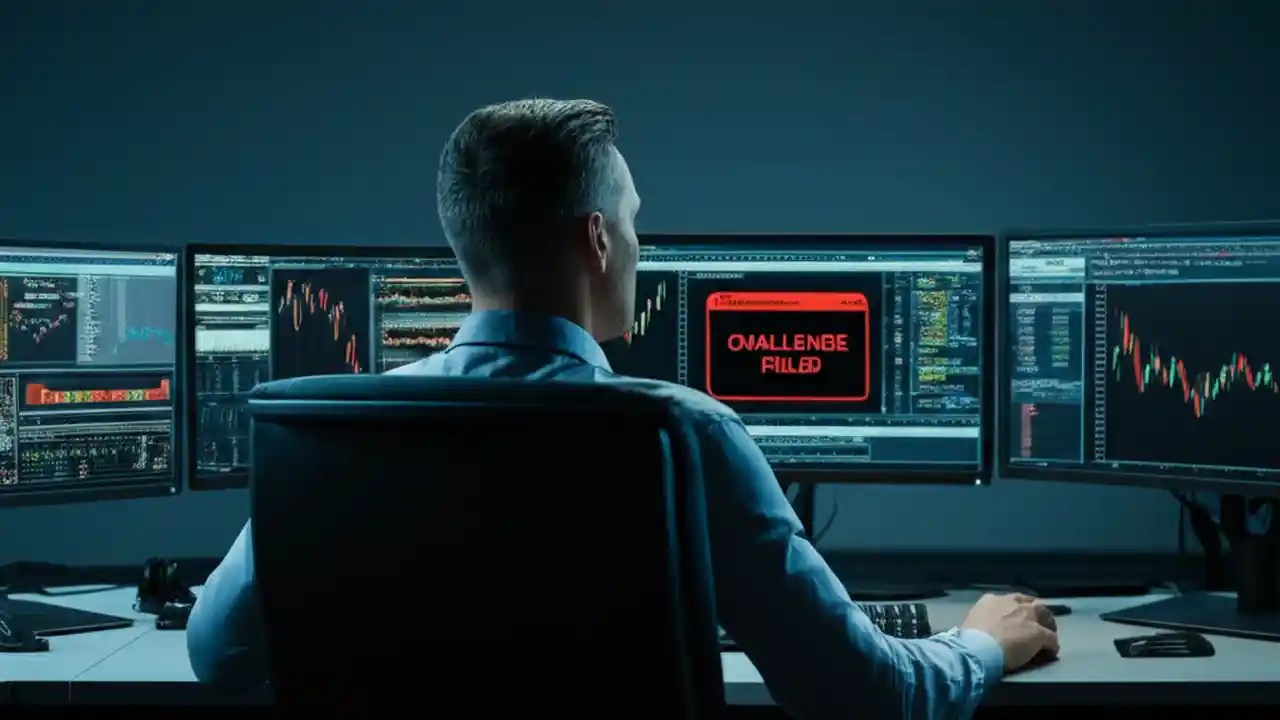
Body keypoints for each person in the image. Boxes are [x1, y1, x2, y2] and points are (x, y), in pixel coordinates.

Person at [187, 98, 1060, 717]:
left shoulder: (332, 435)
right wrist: (983, 642)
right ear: (598, 240)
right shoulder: (682, 434)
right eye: (635, 220)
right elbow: (866, 696)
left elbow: (218, 657)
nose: (642, 244)